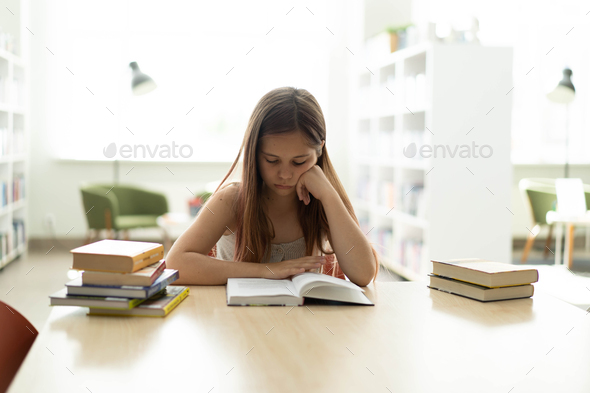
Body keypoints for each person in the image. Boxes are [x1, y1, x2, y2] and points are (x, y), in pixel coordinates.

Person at [167, 87, 379, 286]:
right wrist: (265, 271)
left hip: (300, 322)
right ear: (254, 153)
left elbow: (363, 274)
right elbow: (175, 264)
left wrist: (329, 194)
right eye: (271, 160)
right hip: (237, 321)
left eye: (299, 162)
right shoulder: (231, 200)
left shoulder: (322, 200)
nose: (285, 174)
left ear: (320, 150)